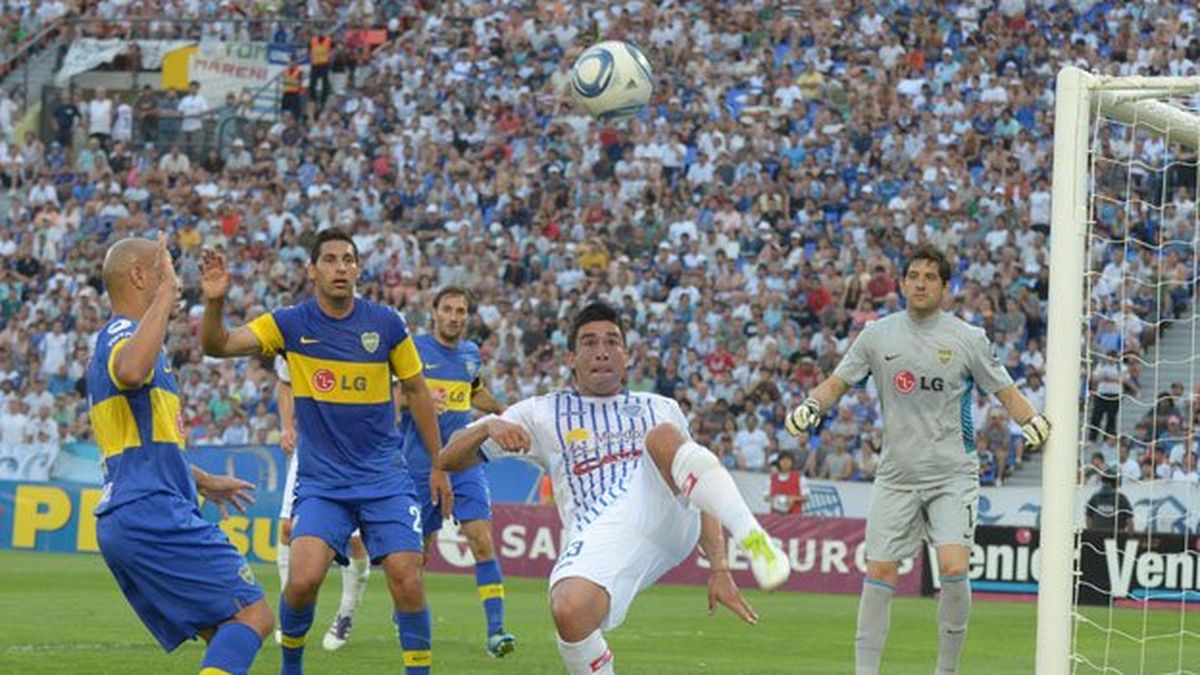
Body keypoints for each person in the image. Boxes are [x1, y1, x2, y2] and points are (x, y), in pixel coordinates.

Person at [441, 301, 789, 675]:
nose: (602, 350)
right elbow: (449, 458)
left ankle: (755, 540)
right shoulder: (541, 413)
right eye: (589, 343)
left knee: (664, 436)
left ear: (627, 356)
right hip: (602, 532)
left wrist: (719, 565)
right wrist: (487, 427)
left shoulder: (660, 406)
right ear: (572, 357)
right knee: (569, 609)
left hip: (666, 511)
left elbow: (698, 485)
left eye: (612, 341)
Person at [784, 244, 1050, 675]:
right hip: (896, 476)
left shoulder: (967, 339)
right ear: (903, 283)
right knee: (881, 570)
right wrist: (811, 407)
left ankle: (947, 671)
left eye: (931, 277)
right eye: (914, 276)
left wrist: (1031, 421)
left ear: (946, 288)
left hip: (952, 476)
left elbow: (1005, 391)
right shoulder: (876, 335)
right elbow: (837, 383)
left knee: (952, 567)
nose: (921, 283)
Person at [199, 228, 451, 675]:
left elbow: (416, 389)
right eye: (331, 260)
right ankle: (291, 669)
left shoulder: (386, 324)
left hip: (383, 479)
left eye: (348, 260)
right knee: (301, 581)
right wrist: (216, 302)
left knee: (408, 578)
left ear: (358, 269)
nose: (341, 268)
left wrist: (438, 463)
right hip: (323, 483)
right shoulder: (291, 324)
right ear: (312, 270)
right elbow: (217, 346)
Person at [89, 235, 273, 674]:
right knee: (254, 615)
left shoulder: (136, 343)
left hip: (133, 514)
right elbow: (131, 371)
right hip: (151, 511)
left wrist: (201, 480)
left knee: (225, 630)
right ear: (139, 276)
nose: (175, 279)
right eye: (165, 269)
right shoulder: (123, 334)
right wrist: (168, 291)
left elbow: (142, 447)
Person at [400, 287, 515, 656]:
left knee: (482, 540)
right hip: (419, 465)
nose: (454, 316)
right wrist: (416, 396)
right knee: (419, 553)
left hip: (464, 460)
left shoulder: (469, 354)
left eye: (461, 310)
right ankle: (407, 608)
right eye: (447, 309)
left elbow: (473, 391)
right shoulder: (412, 350)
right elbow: (390, 394)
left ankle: (497, 632)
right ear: (433, 312)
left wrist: (502, 410)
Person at [273, 355, 371, 652]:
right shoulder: (302, 333)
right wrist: (287, 426)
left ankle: (346, 613)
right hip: (314, 446)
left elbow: (397, 391)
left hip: (359, 453)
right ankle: (287, 607)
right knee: (288, 528)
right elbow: (285, 383)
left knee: (354, 542)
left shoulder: (376, 330)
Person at [766, 451, 807, 515]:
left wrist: (792, 499)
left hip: (795, 516)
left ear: (792, 462)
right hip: (775, 515)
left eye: (788, 460)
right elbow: (766, 496)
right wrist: (777, 499)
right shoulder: (771, 478)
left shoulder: (800, 478)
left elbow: (806, 497)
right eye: (782, 460)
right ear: (779, 462)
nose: (785, 462)